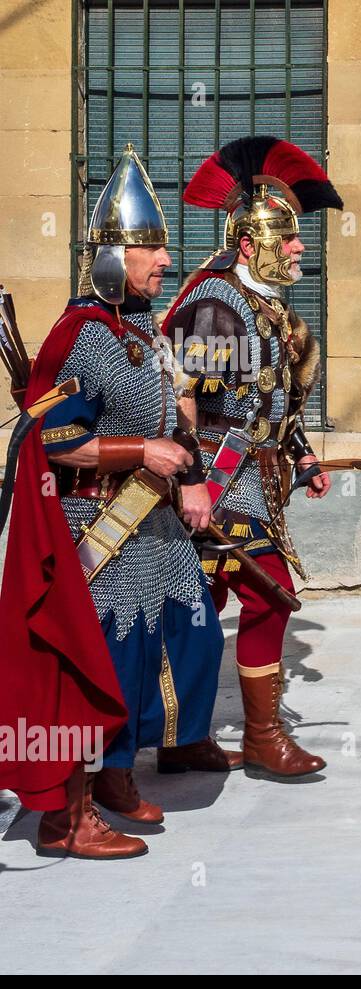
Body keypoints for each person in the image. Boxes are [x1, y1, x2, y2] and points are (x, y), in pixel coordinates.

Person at [0, 145, 224, 858]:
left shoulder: (143, 329)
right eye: (149, 251)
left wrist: (186, 465)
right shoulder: (82, 336)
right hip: (91, 519)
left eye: (161, 252)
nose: (164, 264)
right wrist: (142, 452)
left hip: (152, 522)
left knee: (184, 636)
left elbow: (174, 407)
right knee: (92, 662)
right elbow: (57, 439)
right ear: (109, 259)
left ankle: (119, 774)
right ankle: (71, 812)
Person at [161, 136, 342, 779]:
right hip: (217, 481)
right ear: (249, 243)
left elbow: (270, 402)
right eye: (286, 238)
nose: (299, 248)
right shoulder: (216, 305)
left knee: (201, 605)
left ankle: (181, 737)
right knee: (271, 597)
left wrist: (305, 456)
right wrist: (192, 479)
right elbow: (172, 395)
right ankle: (264, 739)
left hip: (257, 479)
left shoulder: (269, 309)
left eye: (297, 238)